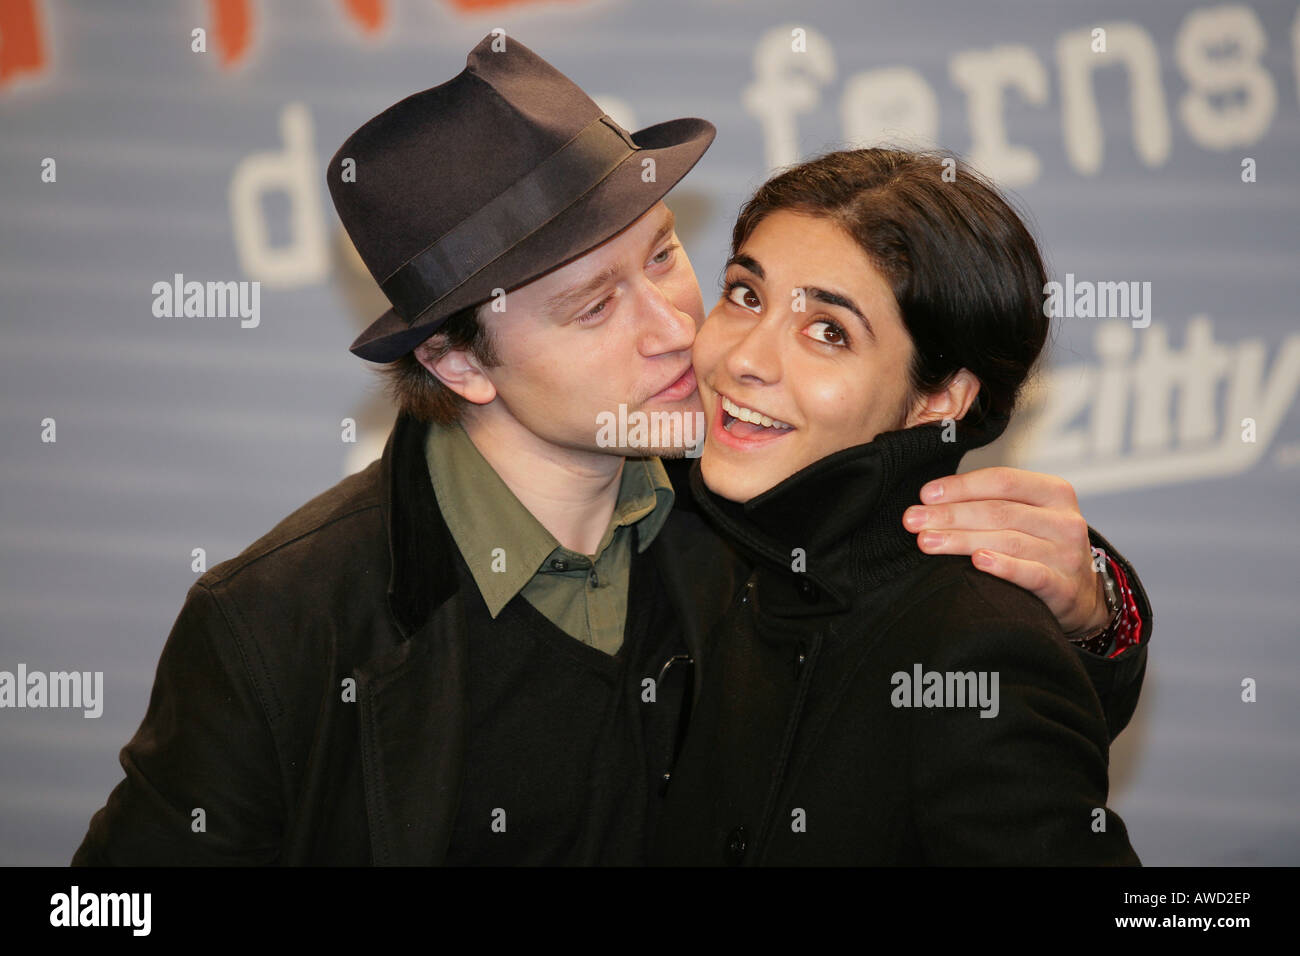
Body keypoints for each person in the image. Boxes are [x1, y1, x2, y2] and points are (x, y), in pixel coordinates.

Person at [71, 35, 1149, 866]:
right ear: (460, 365)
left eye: (669, 255)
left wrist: (1098, 600)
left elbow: (945, 674)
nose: (681, 328)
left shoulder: (750, 501)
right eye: (594, 308)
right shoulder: (279, 620)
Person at [652, 148, 1145, 866]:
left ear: (939, 398)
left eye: (829, 331)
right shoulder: (665, 513)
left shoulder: (974, 643)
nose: (744, 360)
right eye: (746, 295)